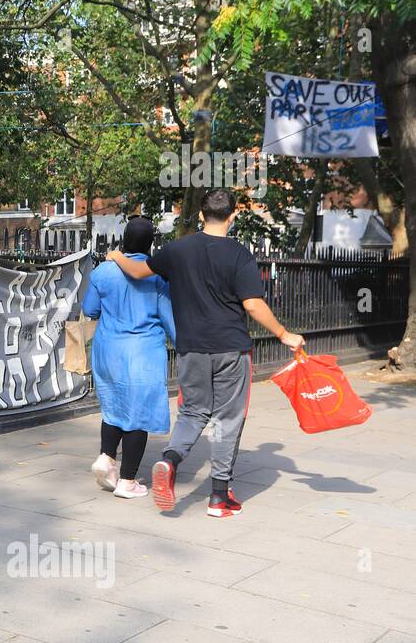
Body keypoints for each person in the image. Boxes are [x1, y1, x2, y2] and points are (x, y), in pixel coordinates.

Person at [108, 188, 305, 518]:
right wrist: (284, 334)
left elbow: (141, 272)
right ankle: (219, 498)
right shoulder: (239, 254)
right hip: (231, 349)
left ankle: (169, 461)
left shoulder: (178, 250)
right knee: (229, 419)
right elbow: (253, 304)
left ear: (201, 215)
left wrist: (117, 257)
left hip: (191, 348)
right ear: (233, 216)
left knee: (192, 412)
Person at [82, 217, 175, 499]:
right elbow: (168, 317)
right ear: (150, 244)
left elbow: (90, 309)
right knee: (139, 415)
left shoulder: (102, 272)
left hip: (108, 350)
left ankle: (107, 458)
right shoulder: (155, 275)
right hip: (143, 351)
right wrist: (185, 345)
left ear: (123, 240)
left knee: (113, 407)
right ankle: (127, 481)